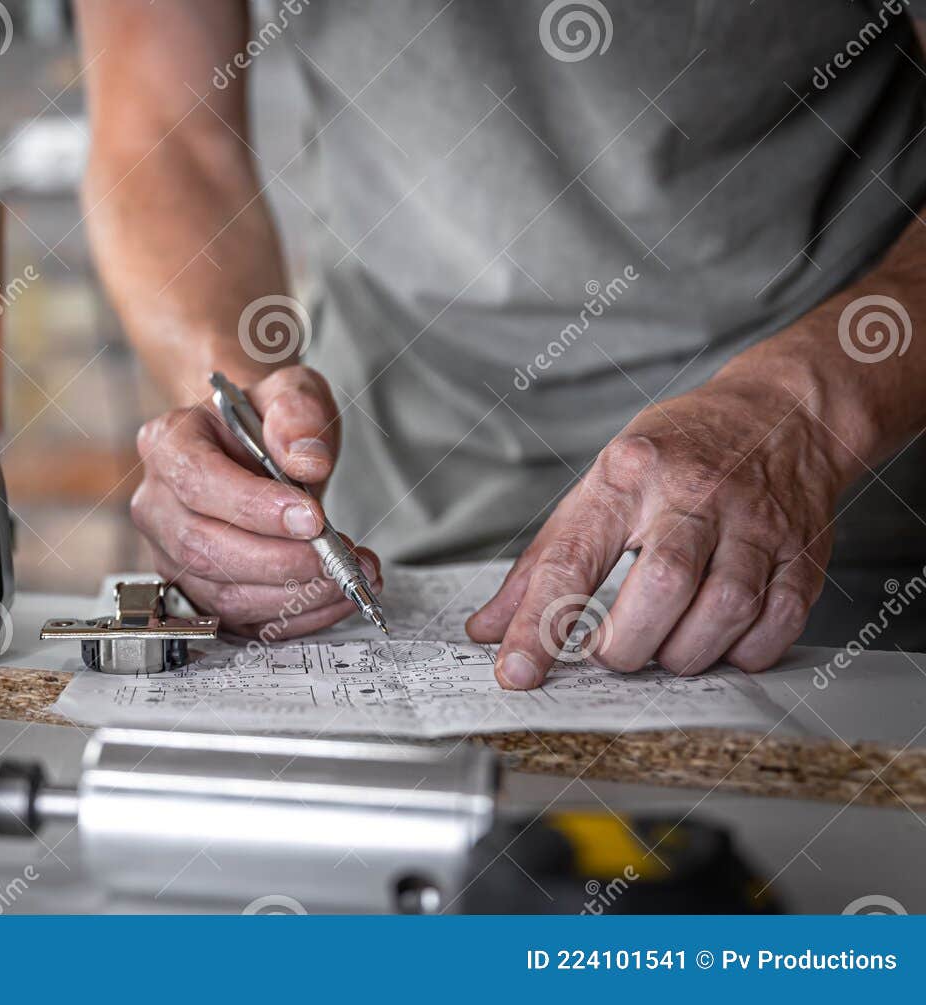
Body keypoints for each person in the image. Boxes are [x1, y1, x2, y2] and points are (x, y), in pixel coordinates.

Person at [74, 0, 926, 690]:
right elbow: (165, 136)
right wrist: (241, 425)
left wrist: (801, 417)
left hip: (836, 494)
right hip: (401, 482)